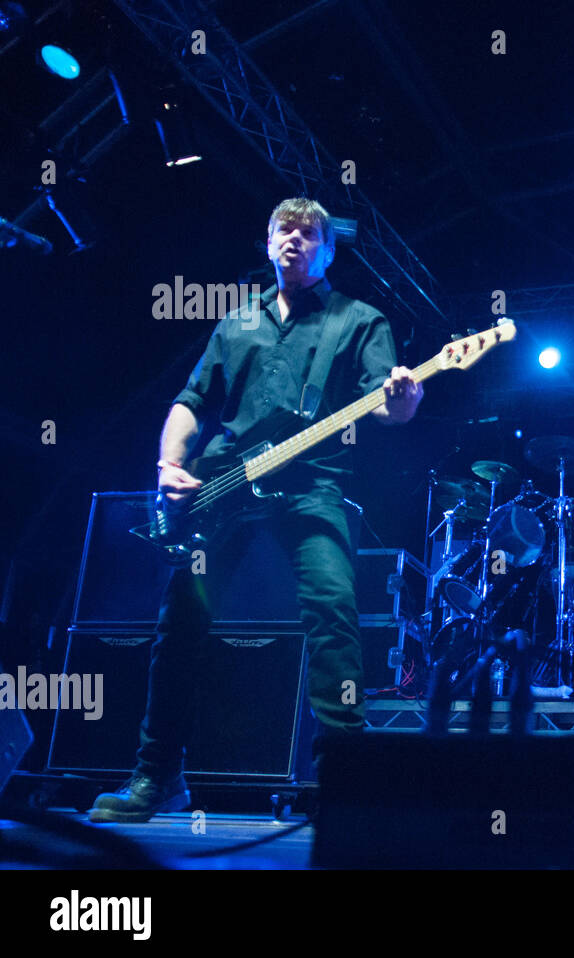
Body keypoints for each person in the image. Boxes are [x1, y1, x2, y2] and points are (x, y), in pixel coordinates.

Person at [90, 198, 425, 823]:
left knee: (333, 614)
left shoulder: (359, 321)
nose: (294, 240)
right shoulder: (236, 323)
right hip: (222, 488)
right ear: (268, 244)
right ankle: (158, 776)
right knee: (178, 626)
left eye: (309, 233)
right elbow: (190, 402)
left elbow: (386, 407)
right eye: (283, 231)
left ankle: (344, 781)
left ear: (328, 249)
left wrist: (406, 397)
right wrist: (169, 465)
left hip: (312, 485)